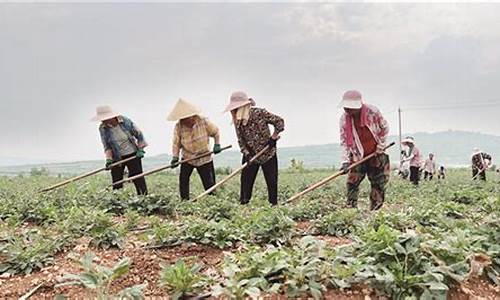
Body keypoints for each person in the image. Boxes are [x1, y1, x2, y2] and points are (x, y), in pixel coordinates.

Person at [224, 91, 284, 206]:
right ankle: (244, 206)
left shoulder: (260, 113)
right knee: (246, 183)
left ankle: (274, 206)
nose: (233, 111)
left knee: (272, 182)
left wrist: (273, 137)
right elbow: (240, 140)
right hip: (251, 155)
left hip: (268, 152)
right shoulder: (238, 121)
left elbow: (279, 121)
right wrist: (246, 153)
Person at [339, 90, 390, 210]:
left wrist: (380, 146)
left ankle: (375, 210)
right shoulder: (344, 120)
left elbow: (384, 128)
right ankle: (351, 210)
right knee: (352, 182)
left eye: (350, 107)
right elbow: (344, 141)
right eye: (346, 107)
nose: (347, 110)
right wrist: (345, 161)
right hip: (357, 156)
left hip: (376, 154)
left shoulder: (372, 112)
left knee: (378, 183)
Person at [167, 99, 221, 200]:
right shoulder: (179, 126)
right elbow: (176, 144)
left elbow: (216, 132)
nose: (188, 121)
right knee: (183, 180)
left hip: (204, 157)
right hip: (188, 157)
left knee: (209, 183)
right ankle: (184, 201)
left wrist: (217, 144)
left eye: (189, 118)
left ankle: (213, 201)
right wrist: (175, 157)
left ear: (193, 115)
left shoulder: (203, 121)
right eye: (185, 120)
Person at [93, 105, 148, 195]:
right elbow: (107, 145)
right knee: (116, 181)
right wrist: (109, 159)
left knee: (138, 178)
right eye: (102, 119)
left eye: (105, 118)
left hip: (132, 154)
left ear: (112, 116)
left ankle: (144, 198)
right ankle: (117, 202)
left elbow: (139, 134)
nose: (103, 121)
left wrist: (140, 149)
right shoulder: (103, 128)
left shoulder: (125, 121)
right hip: (116, 156)